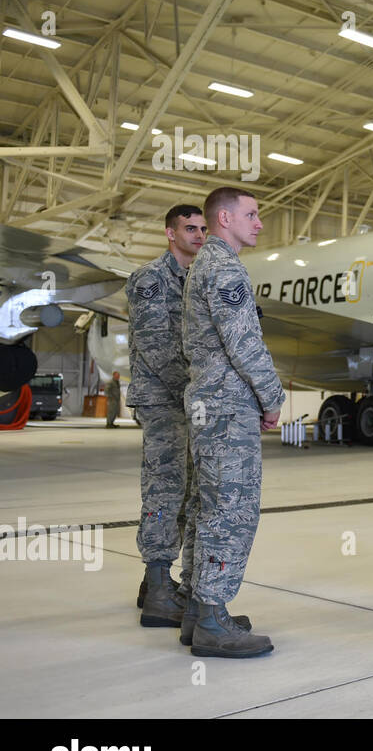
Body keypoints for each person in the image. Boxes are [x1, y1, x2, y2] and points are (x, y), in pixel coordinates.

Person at [182, 187, 283, 658]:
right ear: (225, 218)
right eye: (252, 214)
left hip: (211, 403)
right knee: (231, 511)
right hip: (226, 407)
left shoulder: (205, 264)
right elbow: (244, 343)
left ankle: (202, 611)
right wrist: (272, 396)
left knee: (209, 509)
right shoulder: (224, 268)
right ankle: (211, 620)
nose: (259, 223)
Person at [127, 203, 207, 628]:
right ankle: (159, 590)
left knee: (186, 490)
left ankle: (153, 583)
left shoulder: (196, 280)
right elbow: (156, 345)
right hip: (162, 401)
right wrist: (194, 390)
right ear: (169, 233)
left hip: (188, 402)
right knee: (164, 490)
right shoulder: (150, 279)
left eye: (202, 228)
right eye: (189, 228)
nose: (198, 235)